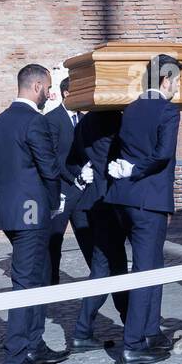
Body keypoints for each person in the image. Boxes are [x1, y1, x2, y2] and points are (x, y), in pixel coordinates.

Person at [0, 64, 68, 364]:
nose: (49, 94)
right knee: (26, 283)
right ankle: (16, 355)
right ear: (36, 86)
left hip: (11, 212)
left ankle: (34, 344)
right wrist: (54, 202)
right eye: (48, 87)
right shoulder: (34, 121)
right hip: (32, 213)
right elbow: (48, 168)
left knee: (35, 278)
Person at [105, 54, 182, 364]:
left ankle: (150, 331)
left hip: (122, 200)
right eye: (176, 80)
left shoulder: (130, 108)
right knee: (146, 270)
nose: (177, 86)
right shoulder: (167, 110)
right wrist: (135, 171)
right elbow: (163, 155)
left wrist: (127, 170)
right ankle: (133, 343)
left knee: (150, 267)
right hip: (147, 200)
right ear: (165, 80)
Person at [67, 108, 131, 350]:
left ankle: (129, 321)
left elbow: (72, 159)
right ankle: (82, 331)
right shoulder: (114, 119)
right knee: (104, 268)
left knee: (115, 266)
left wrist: (84, 171)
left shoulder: (85, 122)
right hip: (108, 202)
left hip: (95, 201)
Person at [44, 78, 96, 283]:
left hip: (84, 192)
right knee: (54, 240)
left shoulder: (85, 119)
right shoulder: (51, 119)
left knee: (88, 236)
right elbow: (53, 157)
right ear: (66, 93)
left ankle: (100, 279)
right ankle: (51, 283)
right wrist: (75, 179)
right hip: (62, 190)